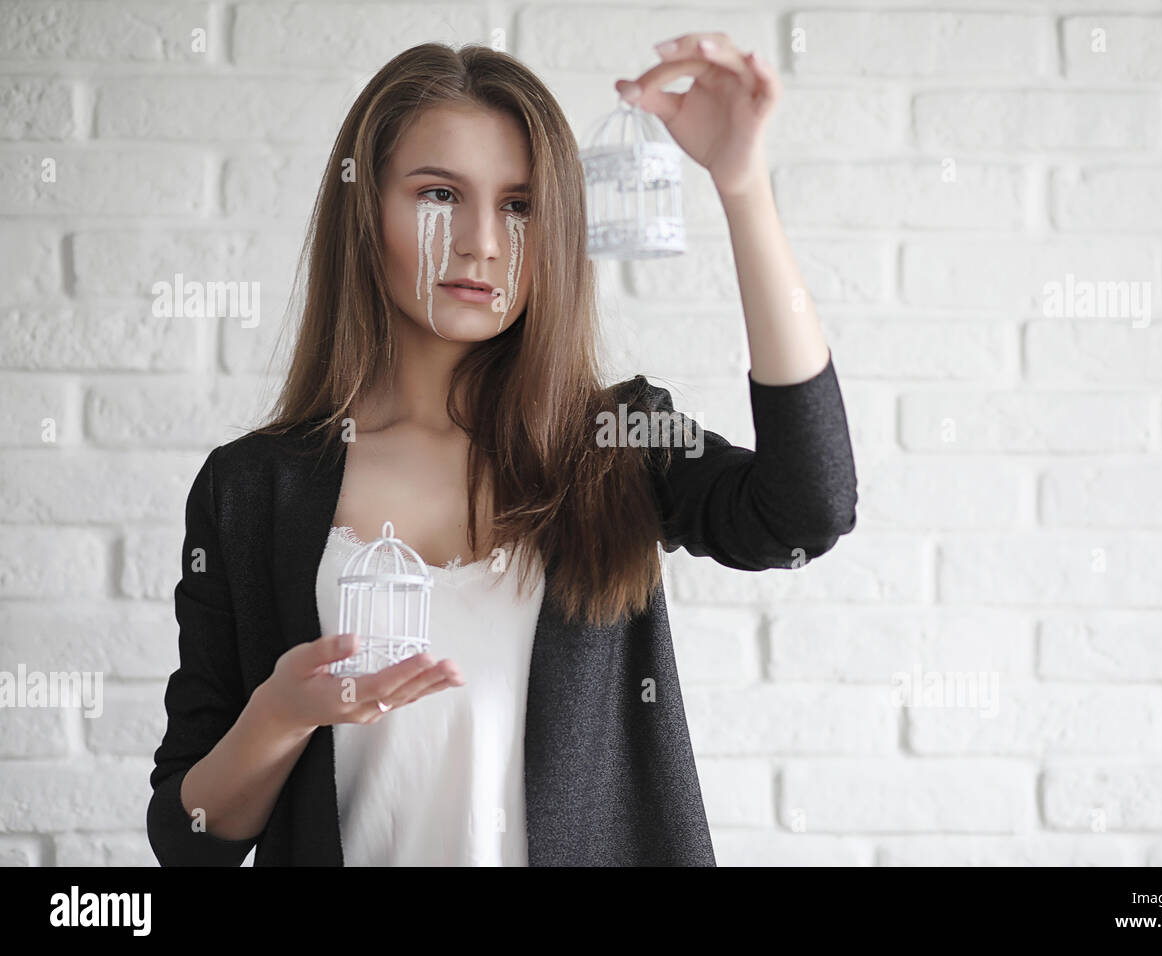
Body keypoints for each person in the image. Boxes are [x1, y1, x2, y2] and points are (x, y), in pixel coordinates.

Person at [147, 33, 857, 867]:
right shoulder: (250, 490)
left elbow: (808, 510)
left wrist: (742, 189)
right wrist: (280, 712)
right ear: (364, 207)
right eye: (440, 194)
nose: (482, 241)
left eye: (520, 205)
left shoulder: (613, 444)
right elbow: (189, 838)